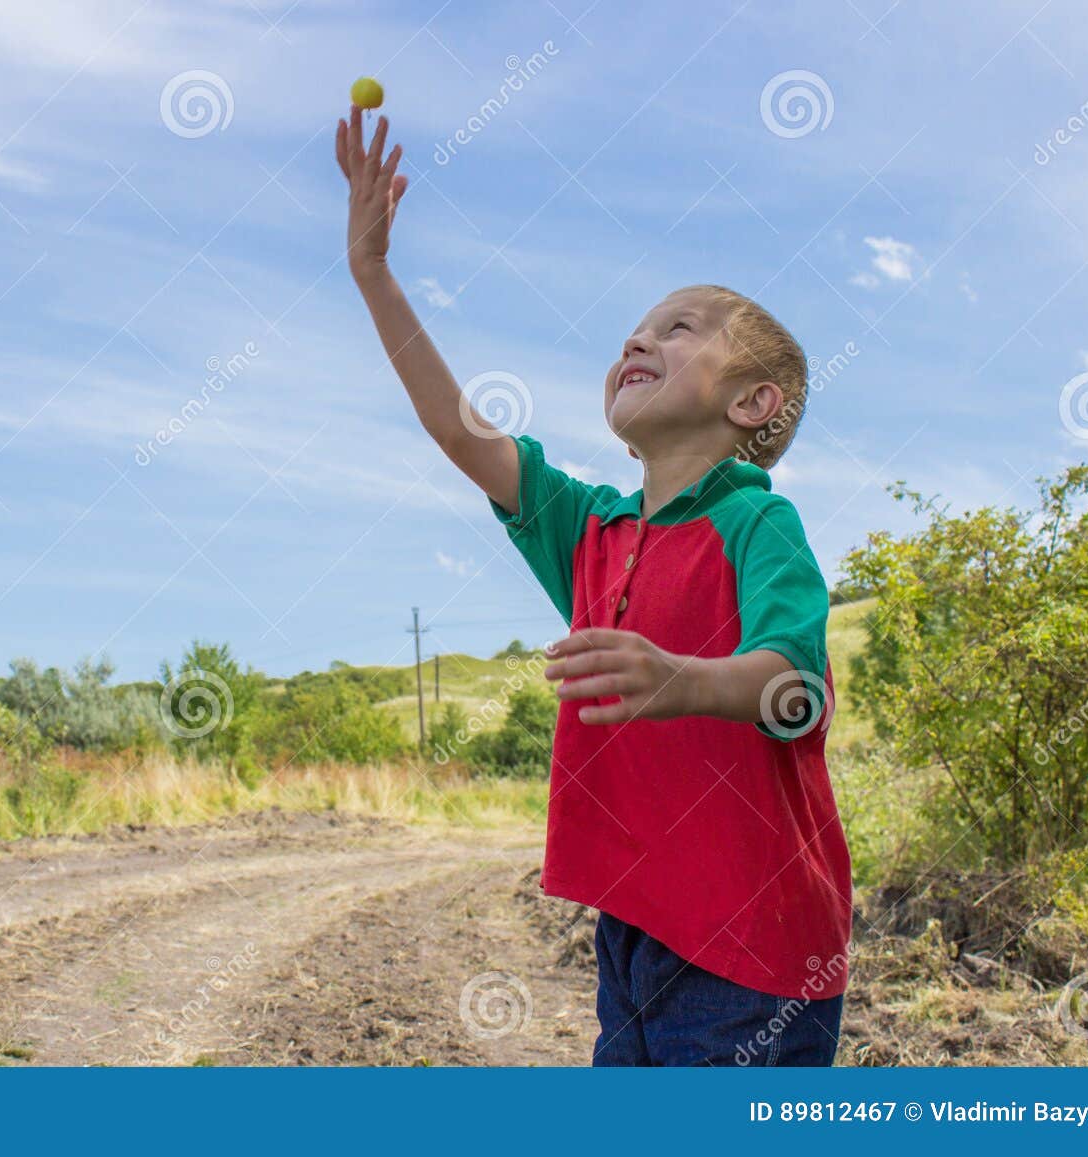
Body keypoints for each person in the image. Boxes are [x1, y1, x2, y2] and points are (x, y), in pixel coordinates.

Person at [335, 106, 852, 1066]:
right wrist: (373, 272)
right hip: (635, 938)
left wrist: (686, 681)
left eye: (680, 327)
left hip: (755, 949)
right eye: (635, 330)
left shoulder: (757, 524)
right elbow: (459, 430)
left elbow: (795, 688)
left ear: (751, 403)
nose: (639, 338)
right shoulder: (590, 529)